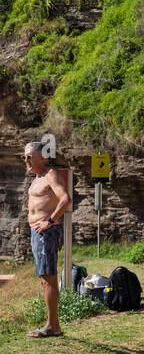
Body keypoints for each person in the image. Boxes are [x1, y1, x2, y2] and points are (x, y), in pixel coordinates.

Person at [24, 141, 71, 338]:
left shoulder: (51, 174)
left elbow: (65, 199)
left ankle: (54, 326)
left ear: (42, 158)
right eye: (24, 157)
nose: (25, 160)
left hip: (46, 232)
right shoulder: (37, 177)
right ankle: (51, 324)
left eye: (29, 157)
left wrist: (50, 221)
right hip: (38, 232)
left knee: (49, 277)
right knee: (44, 279)